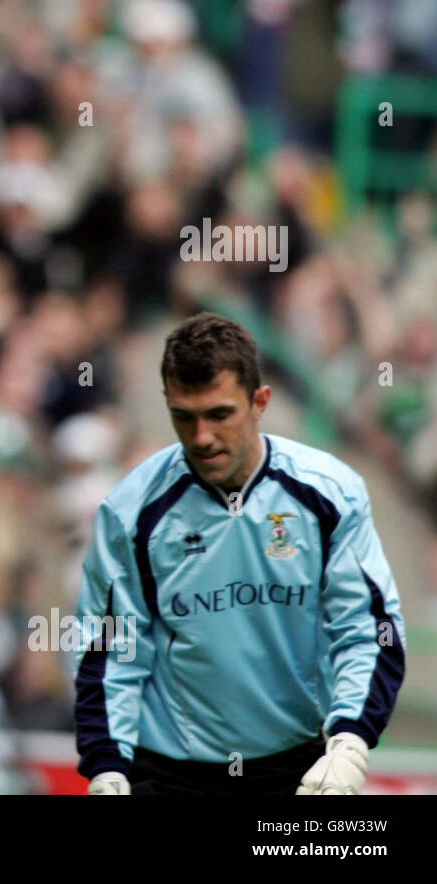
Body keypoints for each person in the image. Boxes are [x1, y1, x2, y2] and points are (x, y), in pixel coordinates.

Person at [73, 312, 405, 795]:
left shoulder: (330, 494)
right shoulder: (130, 512)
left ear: (259, 402)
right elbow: (110, 652)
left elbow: (368, 629)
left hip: (294, 765)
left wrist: (352, 739)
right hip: (168, 771)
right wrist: (107, 768)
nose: (201, 437)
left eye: (219, 414)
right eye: (183, 417)